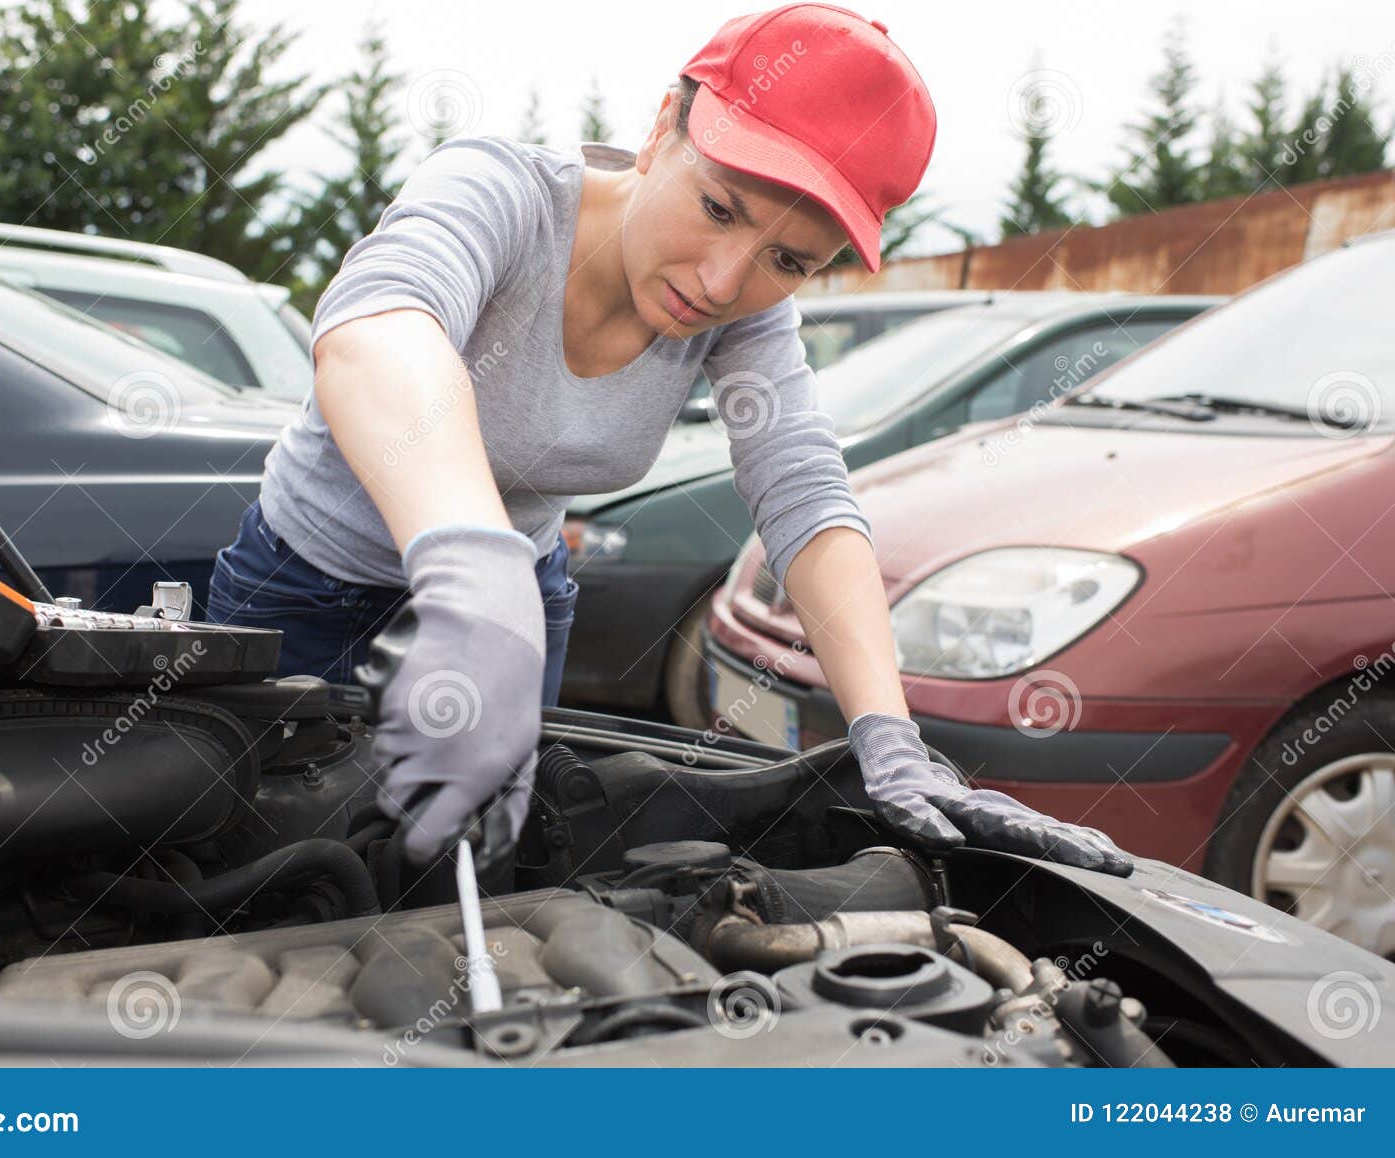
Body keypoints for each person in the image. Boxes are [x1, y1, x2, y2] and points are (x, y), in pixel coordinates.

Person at [207, 4, 1132, 876]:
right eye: (720, 207)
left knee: (465, 871)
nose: (726, 281)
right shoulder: (501, 196)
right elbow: (379, 330)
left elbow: (806, 497)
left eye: (789, 260)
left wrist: (886, 735)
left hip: (518, 607)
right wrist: (470, 562)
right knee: (269, 873)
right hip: (311, 589)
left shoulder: (745, 320)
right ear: (662, 130)